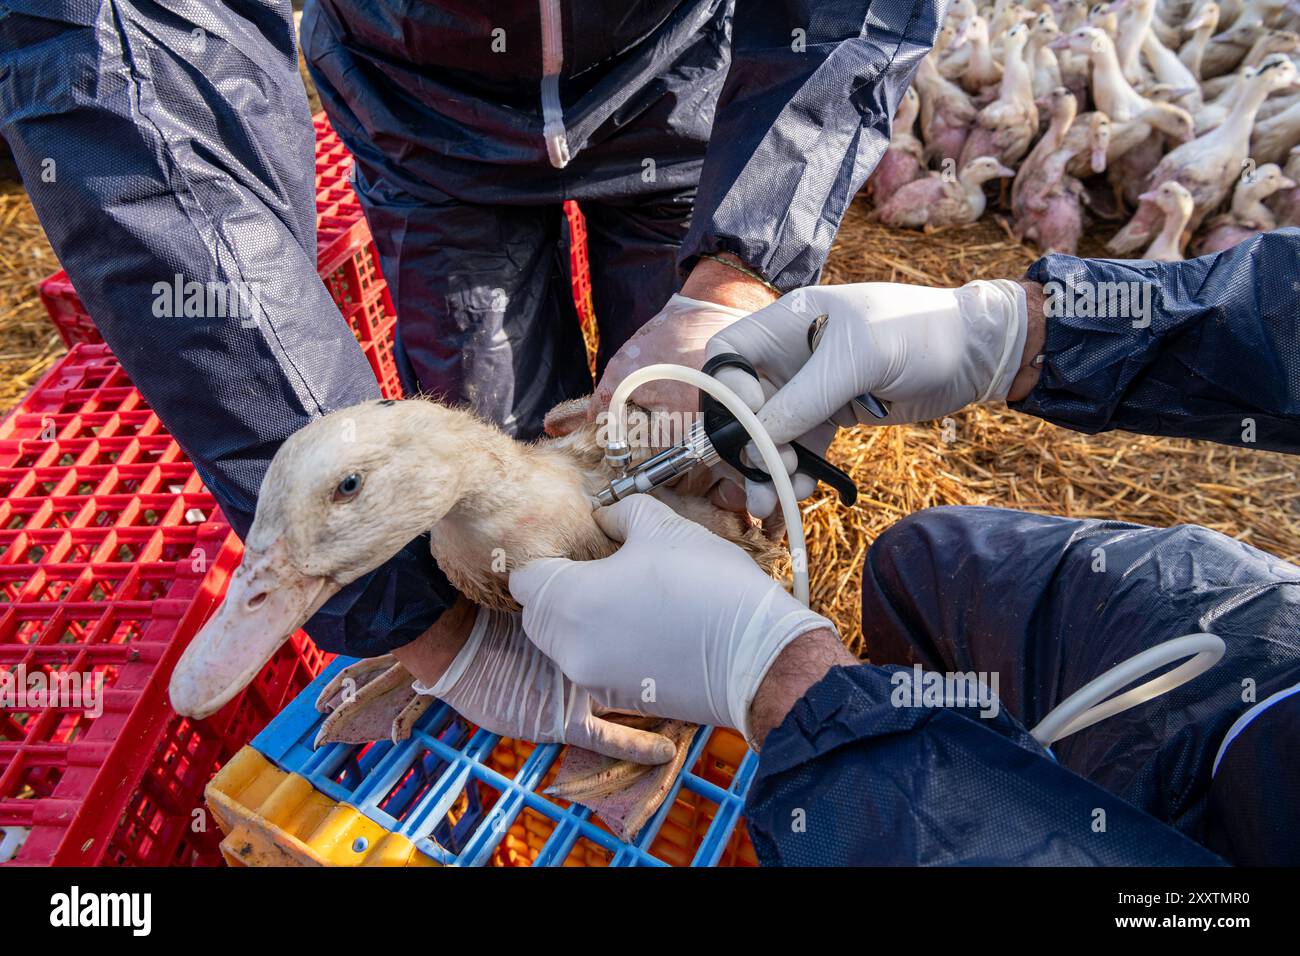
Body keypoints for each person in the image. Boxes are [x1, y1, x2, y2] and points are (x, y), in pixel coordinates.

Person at [0, 0, 941, 678]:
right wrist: (419, 633)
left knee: (690, 448)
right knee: (506, 511)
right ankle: (571, 664)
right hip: (420, 117)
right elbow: (114, 50)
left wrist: (737, 279)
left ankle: (703, 663)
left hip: (681, 87)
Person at [510, 227, 1300, 865]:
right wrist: (1019, 332)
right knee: (928, 562)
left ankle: (913, 785)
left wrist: (782, 682)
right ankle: (944, 755)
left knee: (888, 778)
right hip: (1278, 669)